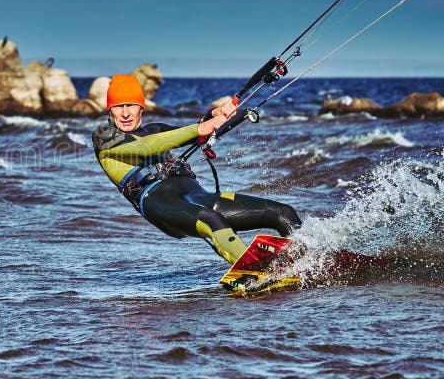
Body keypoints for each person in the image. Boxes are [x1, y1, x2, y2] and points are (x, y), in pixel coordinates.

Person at [92, 73, 301, 264]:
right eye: (119, 107)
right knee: (212, 220)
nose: (126, 113)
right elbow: (145, 146)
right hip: (161, 204)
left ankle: (308, 262)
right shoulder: (104, 137)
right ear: (109, 110)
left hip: (198, 195)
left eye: (131, 105)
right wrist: (200, 127)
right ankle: (259, 271)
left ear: (142, 107)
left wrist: (215, 115)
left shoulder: (156, 129)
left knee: (282, 212)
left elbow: (195, 134)